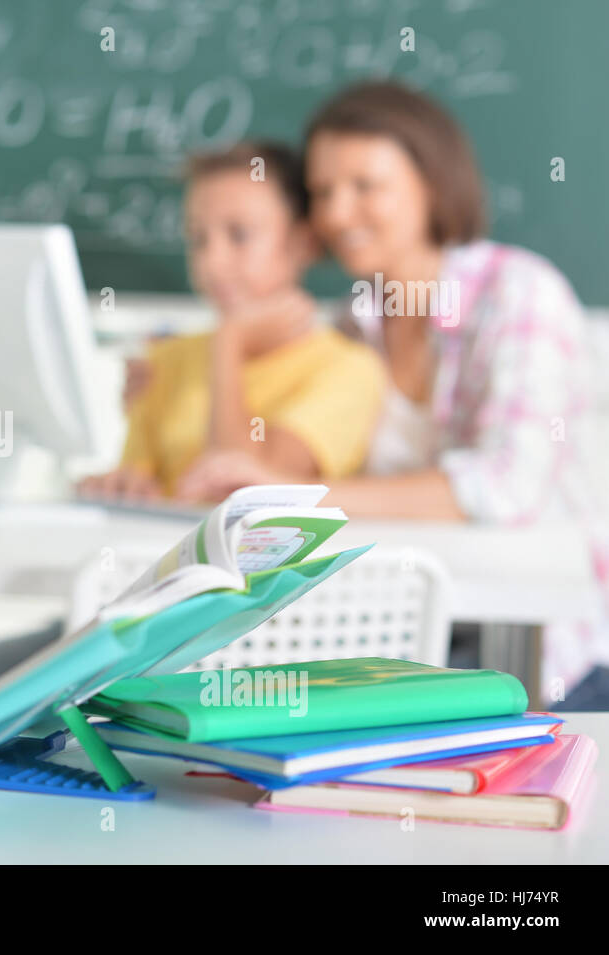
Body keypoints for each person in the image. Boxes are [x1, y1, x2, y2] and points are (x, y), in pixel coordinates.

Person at [175, 82, 609, 698]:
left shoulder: (518, 292)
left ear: (431, 183)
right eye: (322, 193)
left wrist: (302, 497)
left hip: (547, 646)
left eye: (364, 187)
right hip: (409, 625)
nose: (337, 213)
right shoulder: (354, 325)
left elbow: (504, 485)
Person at [76, 141, 385, 501]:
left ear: (303, 244)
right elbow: (138, 480)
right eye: (198, 238)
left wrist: (228, 343)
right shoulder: (165, 359)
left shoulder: (348, 369)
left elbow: (242, 492)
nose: (212, 262)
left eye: (239, 235)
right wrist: (124, 486)